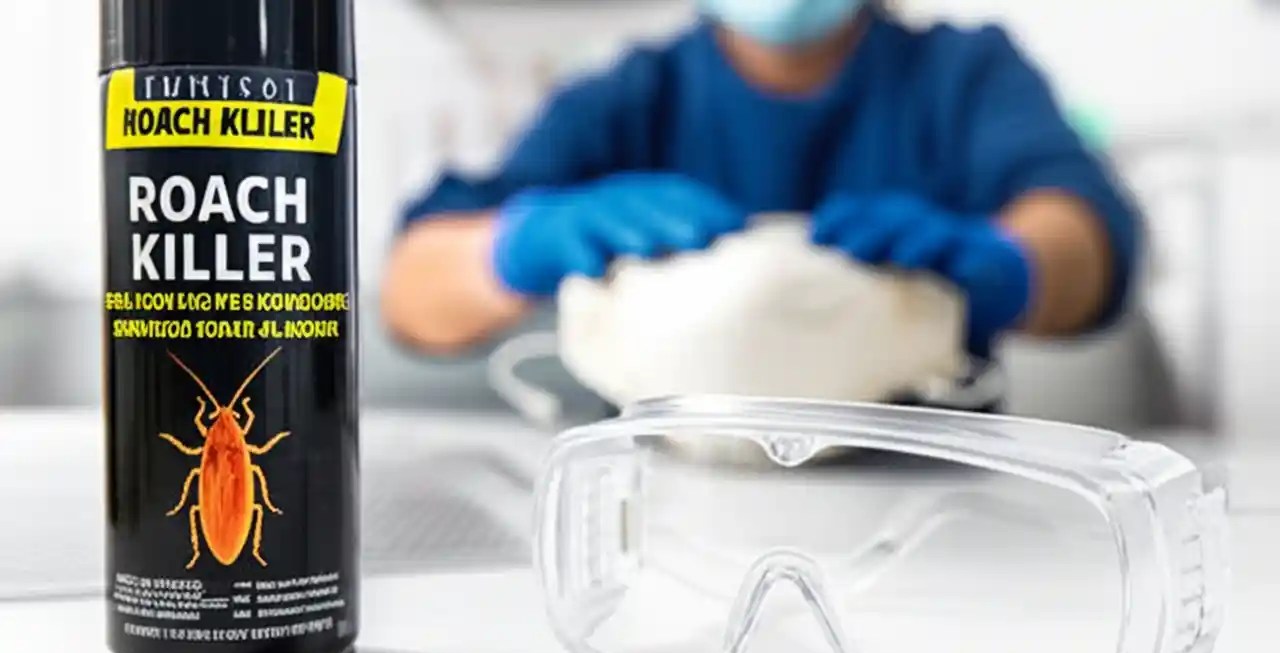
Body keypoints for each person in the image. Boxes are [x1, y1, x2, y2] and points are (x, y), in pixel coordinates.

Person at [382, 0, 1138, 361]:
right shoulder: (629, 93)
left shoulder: (963, 74)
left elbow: (1084, 232)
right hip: (653, 505)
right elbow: (412, 293)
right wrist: (516, 247)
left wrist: (1009, 265)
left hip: (935, 495)